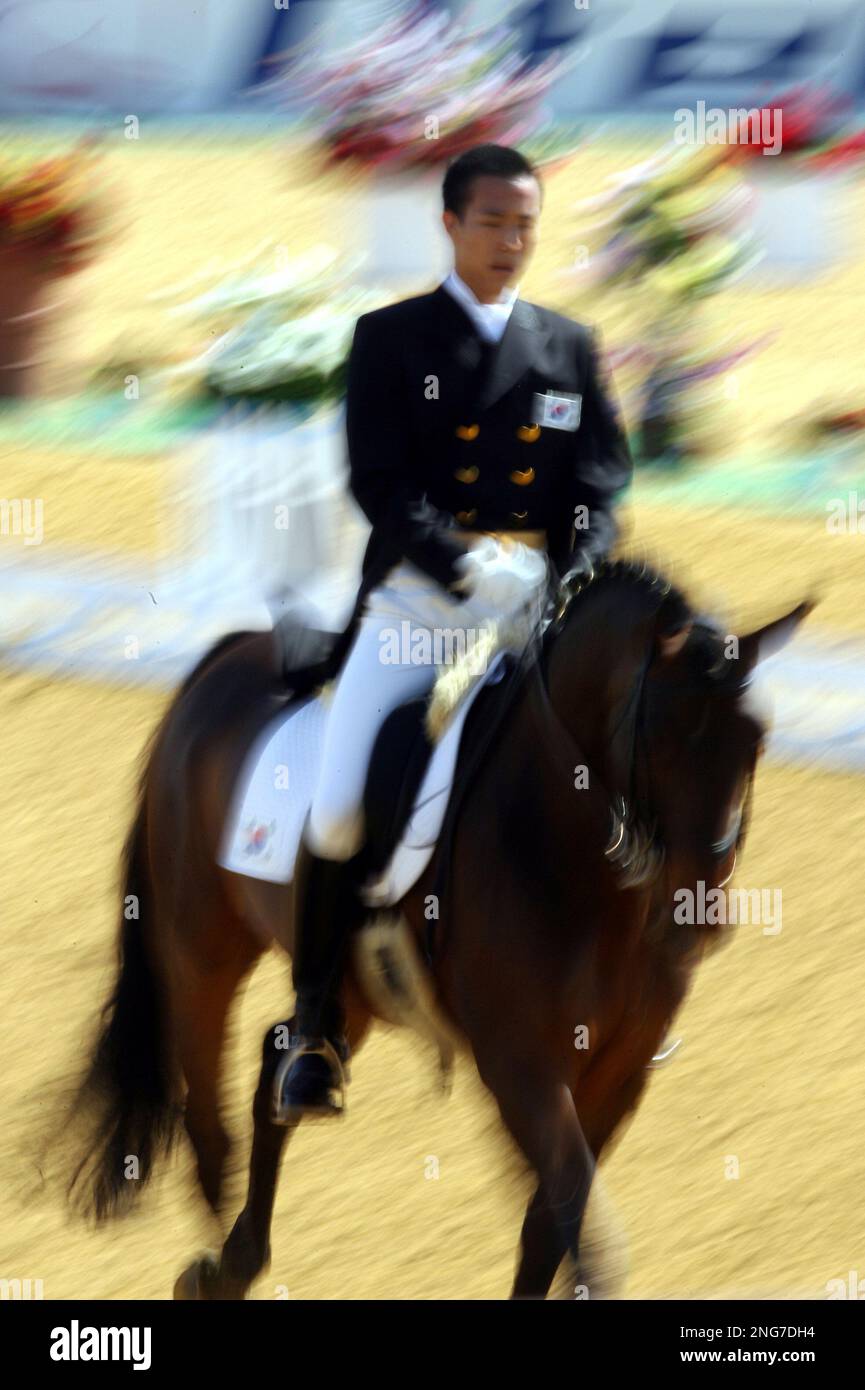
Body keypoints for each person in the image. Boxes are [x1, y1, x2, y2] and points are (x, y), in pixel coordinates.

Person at [274, 143, 633, 1121]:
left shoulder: (566, 346)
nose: (511, 242)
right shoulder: (390, 339)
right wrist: (461, 564)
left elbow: (599, 482)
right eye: (492, 223)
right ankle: (311, 1027)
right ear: (448, 224)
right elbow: (376, 485)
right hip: (415, 613)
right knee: (343, 802)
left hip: (530, 616)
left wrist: (569, 568)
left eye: (525, 225)